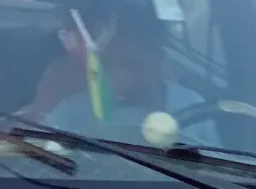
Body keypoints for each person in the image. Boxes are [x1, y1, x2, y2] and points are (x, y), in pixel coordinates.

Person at [44, 12, 214, 145]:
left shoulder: (193, 106)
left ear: (158, 60)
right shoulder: (73, 111)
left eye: (133, 67)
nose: (120, 78)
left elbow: (214, 166)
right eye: (110, 65)